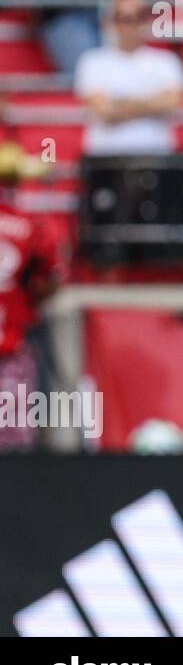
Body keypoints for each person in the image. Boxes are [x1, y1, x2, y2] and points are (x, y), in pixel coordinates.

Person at [74, 0, 183, 156]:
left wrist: (121, 103)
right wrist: (152, 104)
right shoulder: (92, 61)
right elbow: (105, 112)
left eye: (139, 18)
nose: (133, 26)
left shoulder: (166, 61)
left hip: (156, 157)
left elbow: (172, 103)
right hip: (107, 159)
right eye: (126, 19)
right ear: (111, 23)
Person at [0, 143, 61, 452]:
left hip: (12, 342)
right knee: (14, 445)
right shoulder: (33, 227)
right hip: (12, 345)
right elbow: (48, 281)